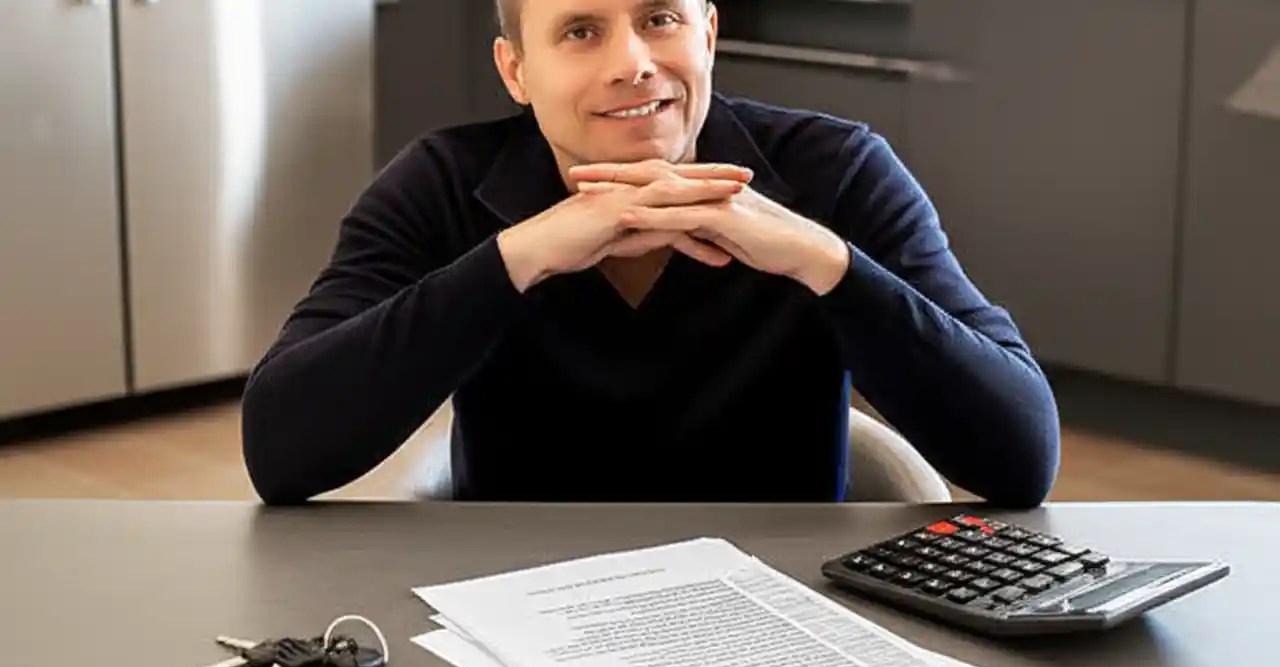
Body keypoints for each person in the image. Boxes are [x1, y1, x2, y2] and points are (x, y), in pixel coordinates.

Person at [240, 0, 1060, 507]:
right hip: (516, 607)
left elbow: (1021, 455)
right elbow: (281, 450)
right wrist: (520, 255)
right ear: (516, 71)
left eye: (660, 18)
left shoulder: (837, 170)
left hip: (783, 618)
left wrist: (825, 261)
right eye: (581, 31)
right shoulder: (439, 186)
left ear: (707, 33)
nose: (632, 63)